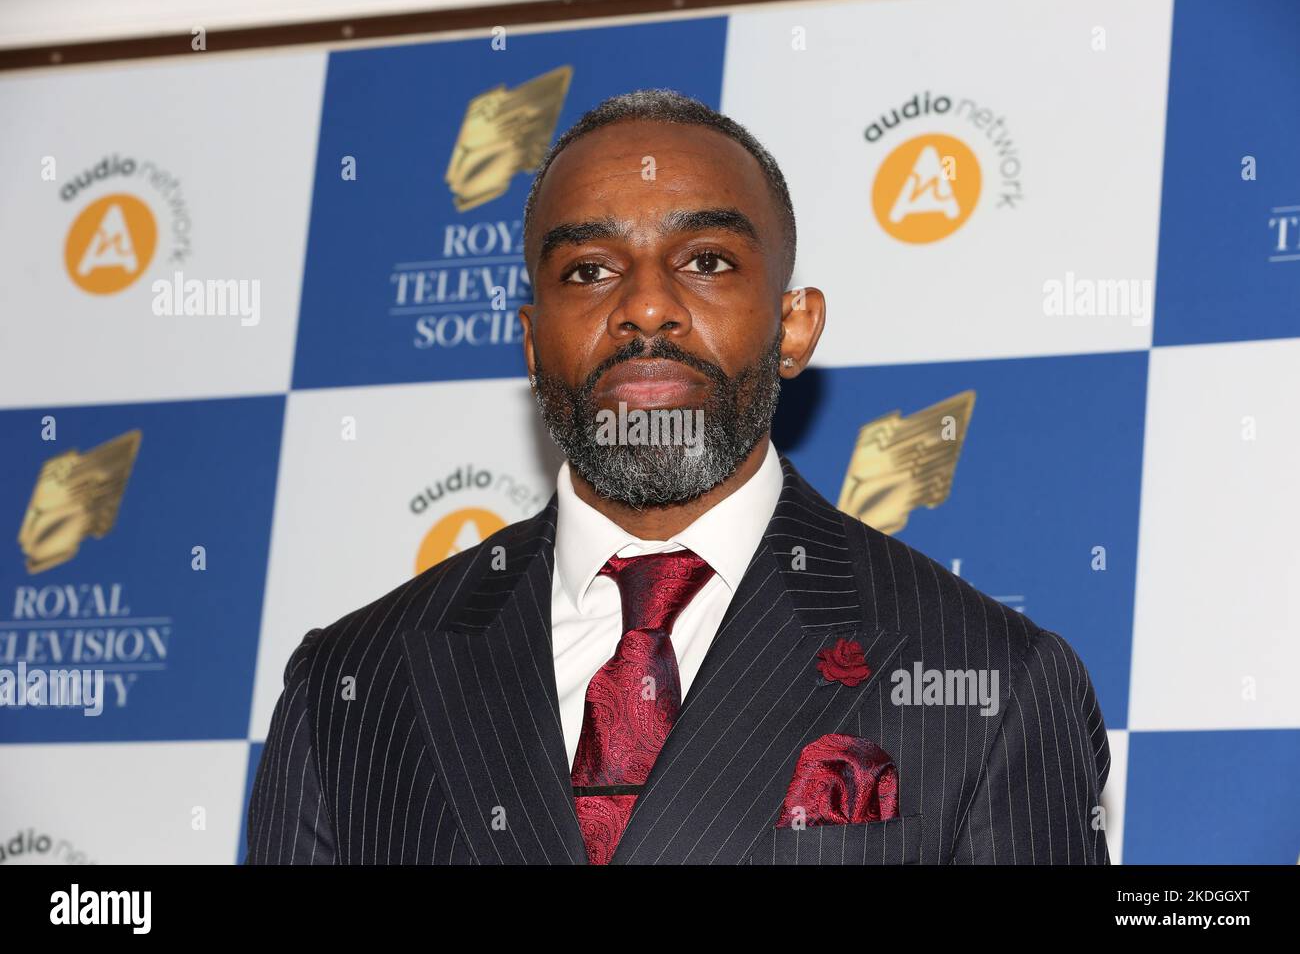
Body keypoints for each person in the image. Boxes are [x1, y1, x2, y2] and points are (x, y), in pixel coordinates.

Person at [246, 89, 1110, 865]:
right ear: (530, 340)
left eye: (706, 261)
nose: (646, 305)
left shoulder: (993, 680)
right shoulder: (351, 686)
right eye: (588, 270)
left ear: (795, 326)